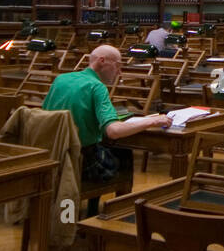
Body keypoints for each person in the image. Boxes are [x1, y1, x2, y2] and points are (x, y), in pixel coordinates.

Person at [41, 44, 172, 182]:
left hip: (52, 154)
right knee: (124, 154)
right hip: (80, 160)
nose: (119, 72)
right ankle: (120, 199)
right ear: (102, 61)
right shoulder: (97, 87)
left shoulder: (61, 79)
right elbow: (113, 131)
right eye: (117, 65)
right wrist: (153, 121)